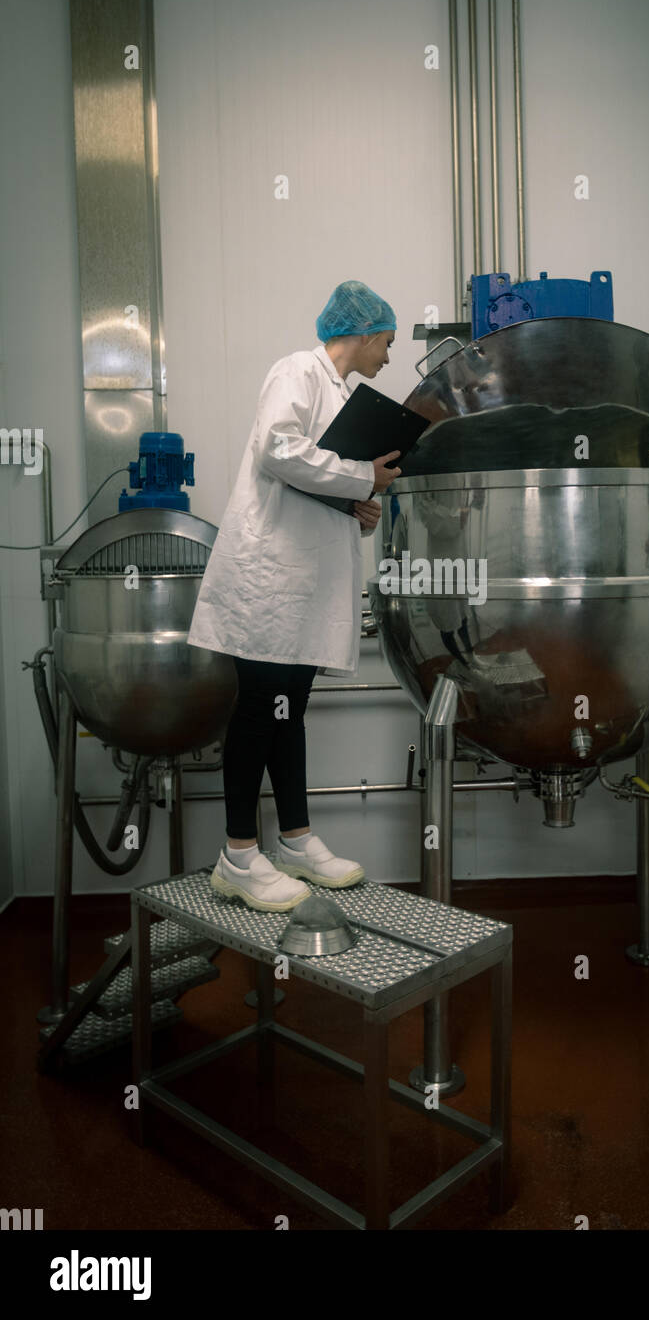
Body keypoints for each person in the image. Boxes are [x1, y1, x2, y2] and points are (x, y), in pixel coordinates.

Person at [187, 280, 402, 911]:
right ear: (361, 335)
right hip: (269, 584)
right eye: (386, 344)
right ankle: (238, 854)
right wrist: (362, 474)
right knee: (259, 713)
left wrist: (354, 504)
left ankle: (296, 839)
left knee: (287, 712)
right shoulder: (297, 372)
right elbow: (278, 450)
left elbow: (311, 473)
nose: (387, 357)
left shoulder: (338, 393)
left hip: (303, 588)